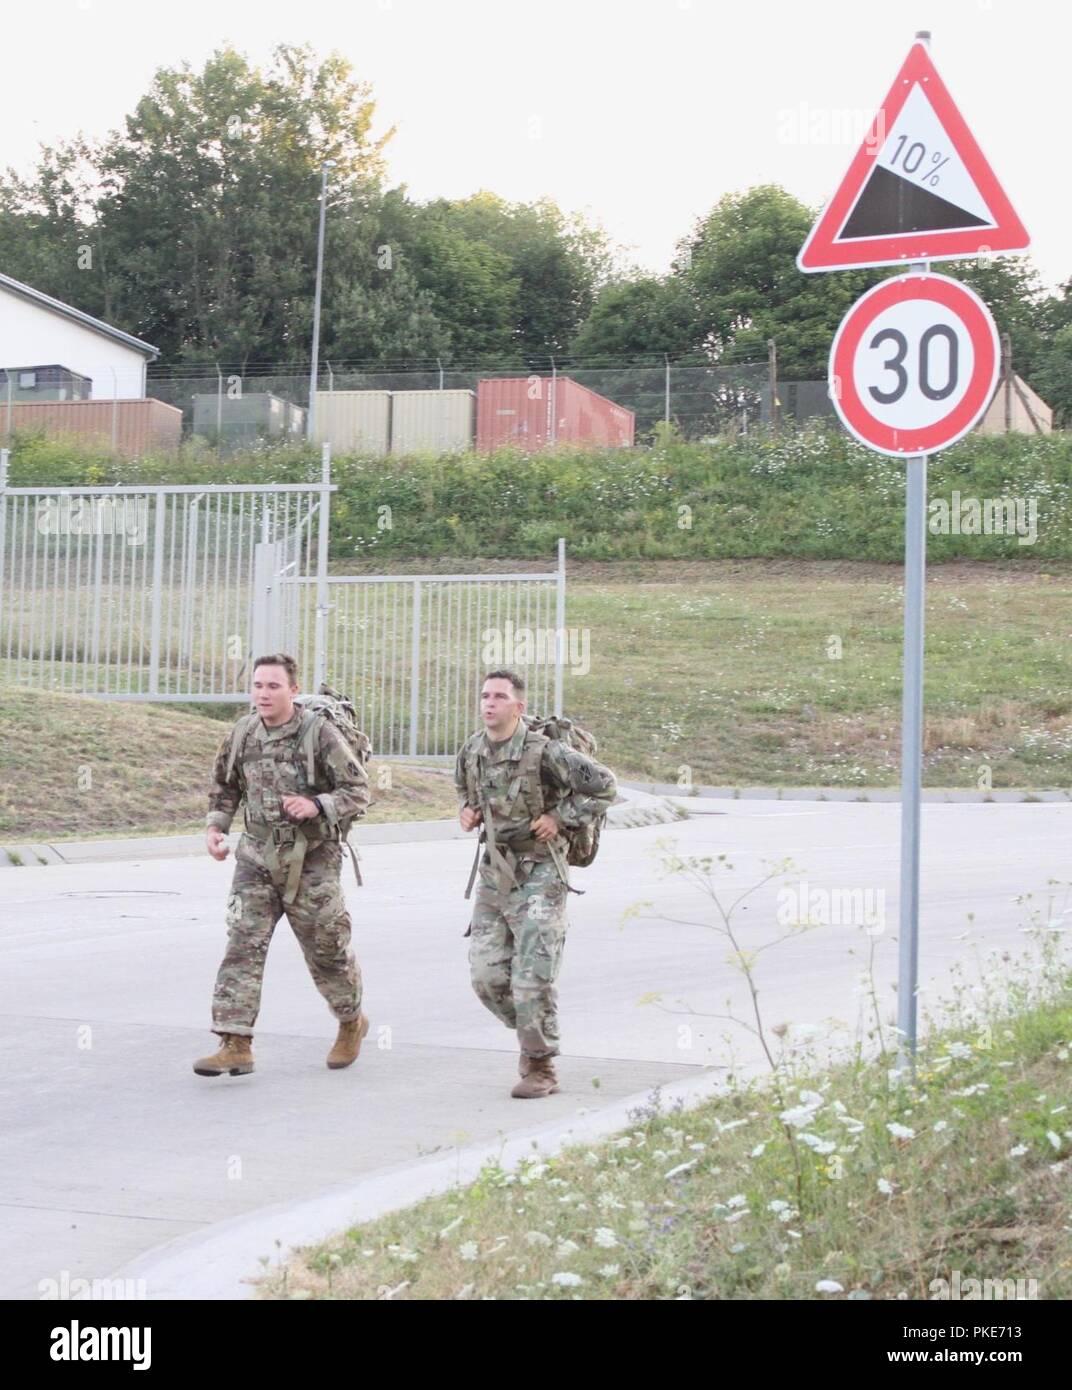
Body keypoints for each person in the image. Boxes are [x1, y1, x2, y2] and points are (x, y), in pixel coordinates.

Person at [193, 653, 370, 1077]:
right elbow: (225, 786)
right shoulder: (242, 733)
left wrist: (317, 804)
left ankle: (351, 1021)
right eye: (257, 685)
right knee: (242, 943)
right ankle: (235, 1041)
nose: (264, 693)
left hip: (312, 859)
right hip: (256, 856)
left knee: (326, 947)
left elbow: (359, 789)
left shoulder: (319, 734)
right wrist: (216, 827)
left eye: (273, 686)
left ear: (293, 690)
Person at [455, 668, 616, 1098]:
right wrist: (467, 812)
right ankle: (532, 1032)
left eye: (500, 697)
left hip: (542, 870)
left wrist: (559, 819)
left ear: (518, 707)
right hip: (495, 870)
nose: (489, 703)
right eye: (485, 695)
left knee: (532, 977)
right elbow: (464, 792)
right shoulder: (472, 750)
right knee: (487, 977)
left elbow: (603, 787)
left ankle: (541, 1066)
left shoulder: (547, 753)